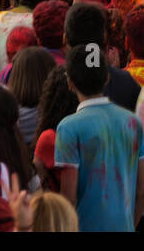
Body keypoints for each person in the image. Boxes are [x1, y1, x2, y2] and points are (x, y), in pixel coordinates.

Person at [54, 44, 144, 231]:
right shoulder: (133, 123)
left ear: (70, 82)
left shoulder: (68, 128)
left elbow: (69, 199)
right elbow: (141, 191)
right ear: (107, 79)